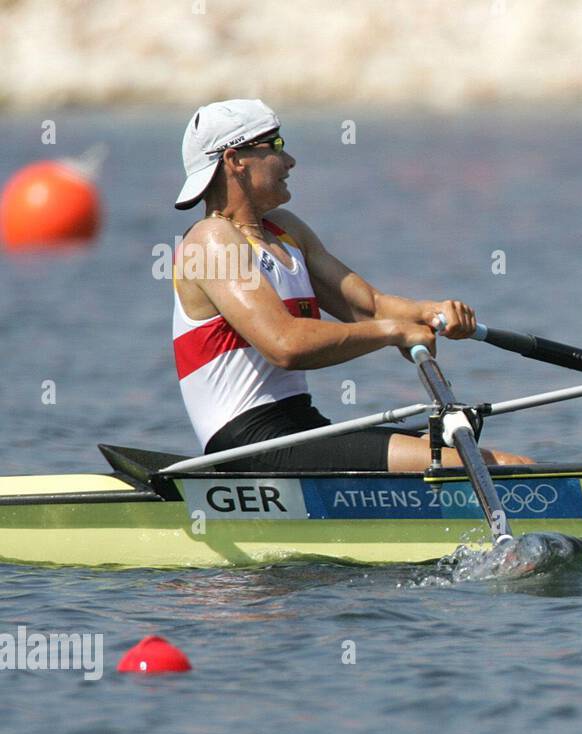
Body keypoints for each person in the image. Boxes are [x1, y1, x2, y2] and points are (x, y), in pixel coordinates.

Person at [171, 99, 529, 471]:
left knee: (463, 446)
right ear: (234, 160)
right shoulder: (210, 240)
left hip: (299, 428)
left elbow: (368, 305)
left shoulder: (285, 230)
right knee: (504, 465)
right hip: (249, 443)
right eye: (275, 146)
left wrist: (431, 311)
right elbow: (285, 345)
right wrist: (393, 332)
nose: (290, 160)